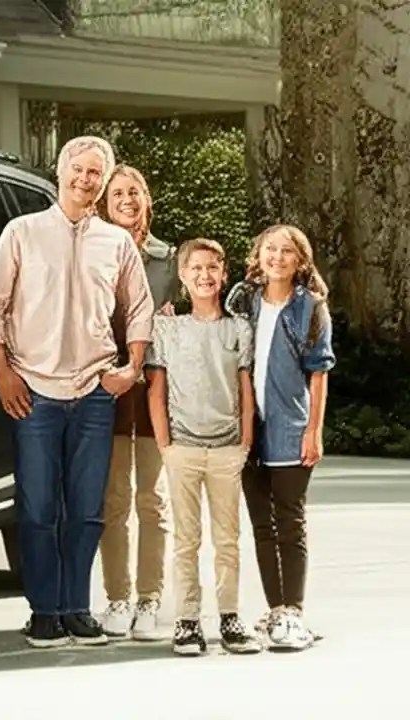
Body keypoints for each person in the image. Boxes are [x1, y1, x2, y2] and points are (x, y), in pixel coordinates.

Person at [0, 136, 155, 649]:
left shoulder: (116, 243)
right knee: (37, 508)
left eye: (95, 173)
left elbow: (139, 307)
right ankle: (43, 611)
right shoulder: (23, 233)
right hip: (33, 390)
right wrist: (3, 373)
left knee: (86, 508)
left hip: (95, 392)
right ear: (60, 173)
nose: (86, 180)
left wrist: (132, 367)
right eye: (78, 170)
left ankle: (77, 608)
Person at [144, 238, 261, 656]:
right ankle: (187, 620)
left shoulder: (238, 328)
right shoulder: (168, 328)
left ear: (223, 273)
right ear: (182, 275)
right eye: (195, 268)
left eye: (212, 268)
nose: (204, 276)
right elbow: (156, 390)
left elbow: (245, 386)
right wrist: (165, 444)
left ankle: (229, 616)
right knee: (186, 539)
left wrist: (245, 441)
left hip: (228, 448)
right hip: (183, 449)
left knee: (227, 538)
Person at [233, 224, 335, 651]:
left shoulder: (310, 308)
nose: (277, 257)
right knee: (261, 525)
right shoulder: (243, 301)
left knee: (289, 522)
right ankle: (275, 610)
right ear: (258, 255)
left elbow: (318, 374)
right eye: (269, 249)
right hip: (247, 431)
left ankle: (293, 611)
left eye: (286, 251)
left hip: (290, 428)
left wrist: (313, 431)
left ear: (300, 261)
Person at [95, 164, 179, 641]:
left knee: (152, 498)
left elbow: (190, 320)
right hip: (107, 386)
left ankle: (150, 599)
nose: (126, 200)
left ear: (147, 199)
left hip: (154, 389)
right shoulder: (92, 251)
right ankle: (118, 598)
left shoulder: (168, 259)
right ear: (105, 204)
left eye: (134, 192)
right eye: (117, 193)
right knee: (113, 499)